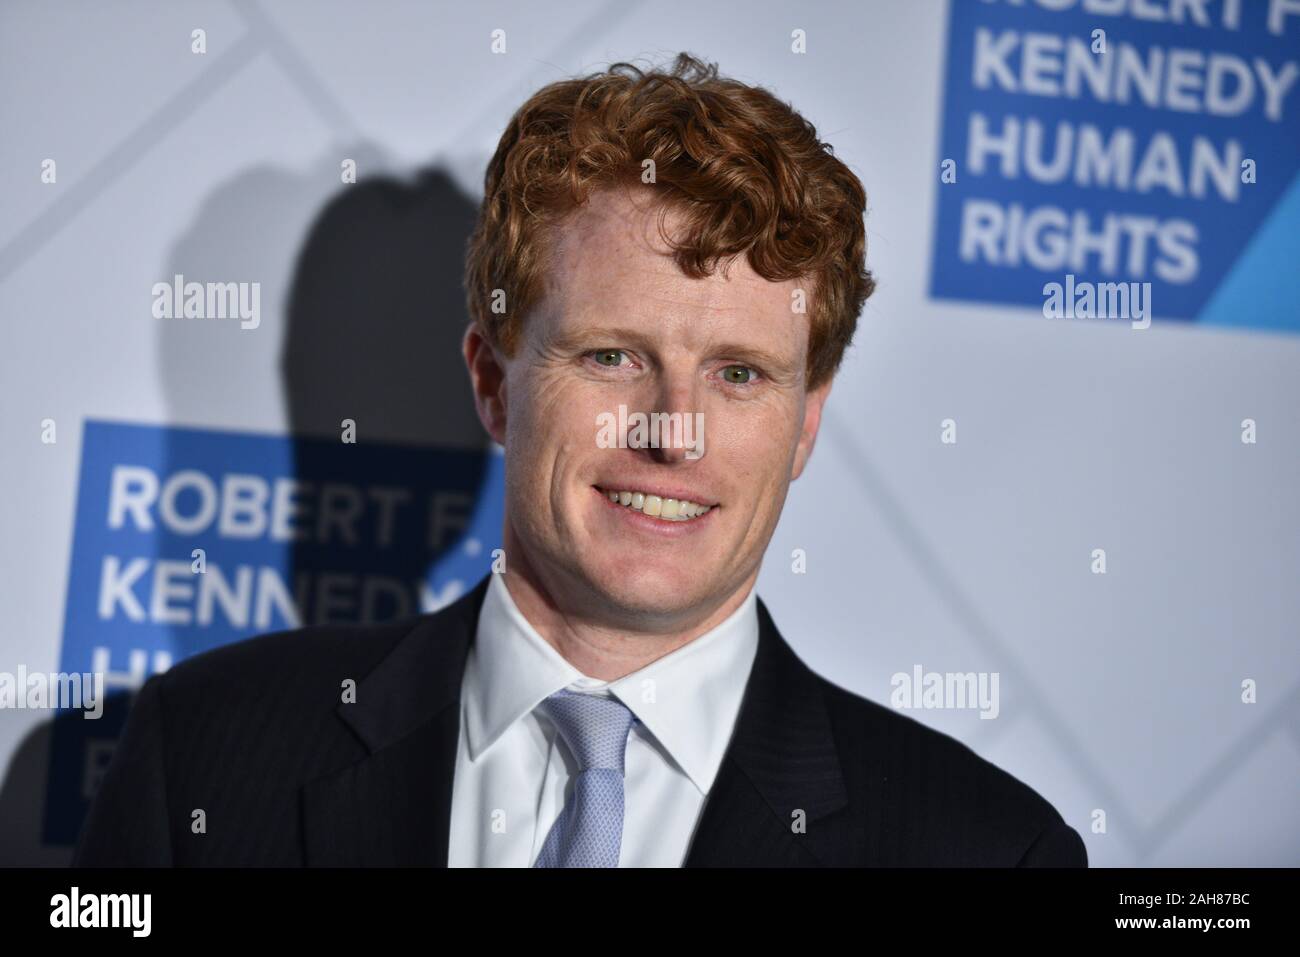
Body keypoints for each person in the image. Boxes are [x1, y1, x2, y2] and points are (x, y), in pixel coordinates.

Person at [74, 53, 1086, 867]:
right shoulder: (202, 761)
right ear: (490, 380)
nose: (672, 431)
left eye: (738, 375)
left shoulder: (986, 850)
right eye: (612, 358)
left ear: (805, 423)